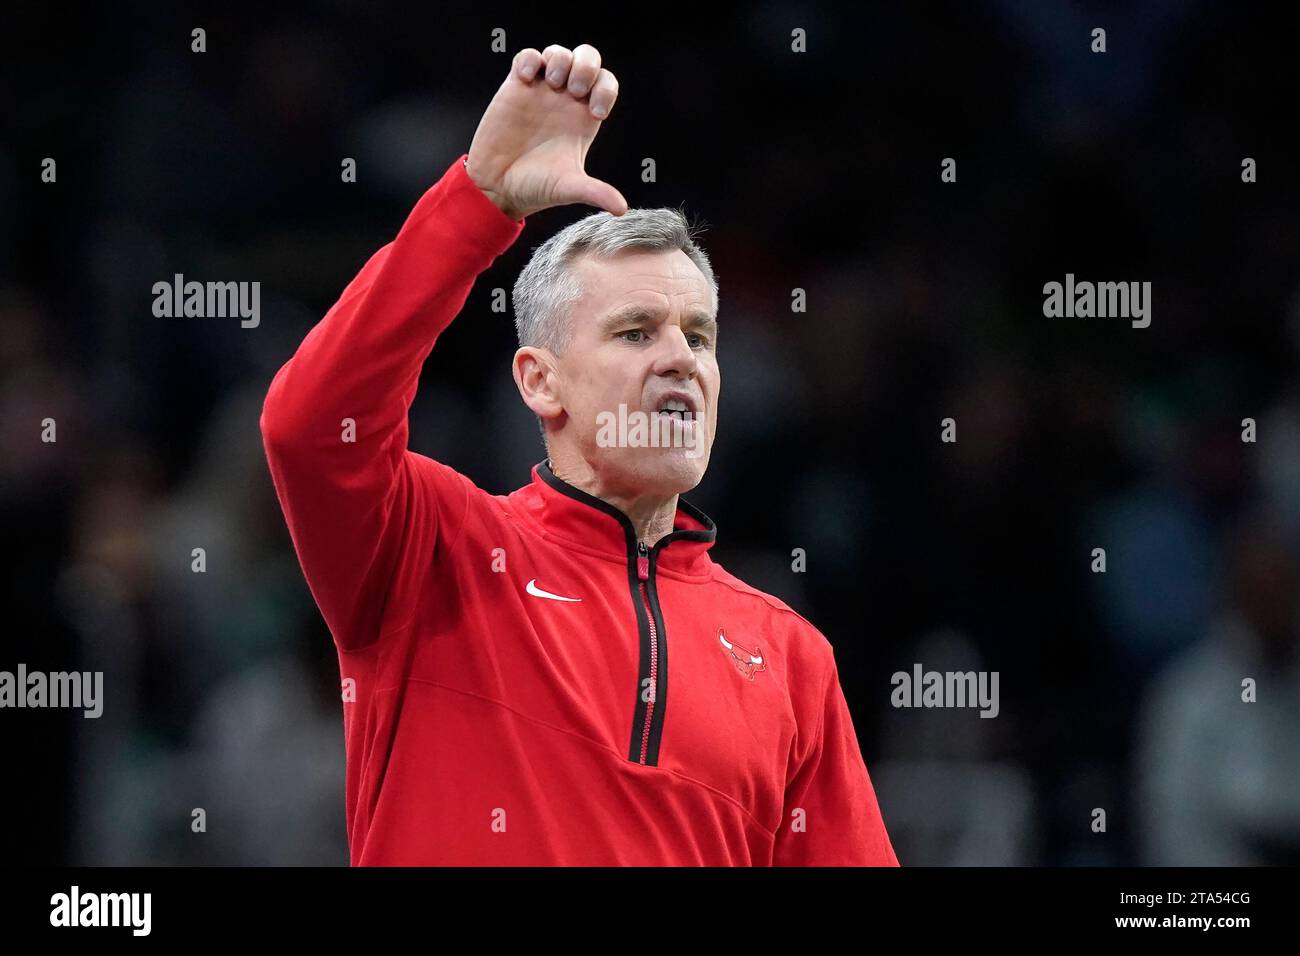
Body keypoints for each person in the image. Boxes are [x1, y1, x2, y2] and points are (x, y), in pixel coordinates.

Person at [260, 41, 898, 865]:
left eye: (699, 336)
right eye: (636, 331)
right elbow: (310, 427)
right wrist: (477, 202)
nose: (682, 360)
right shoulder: (435, 549)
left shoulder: (790, 657)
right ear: (540, 381)